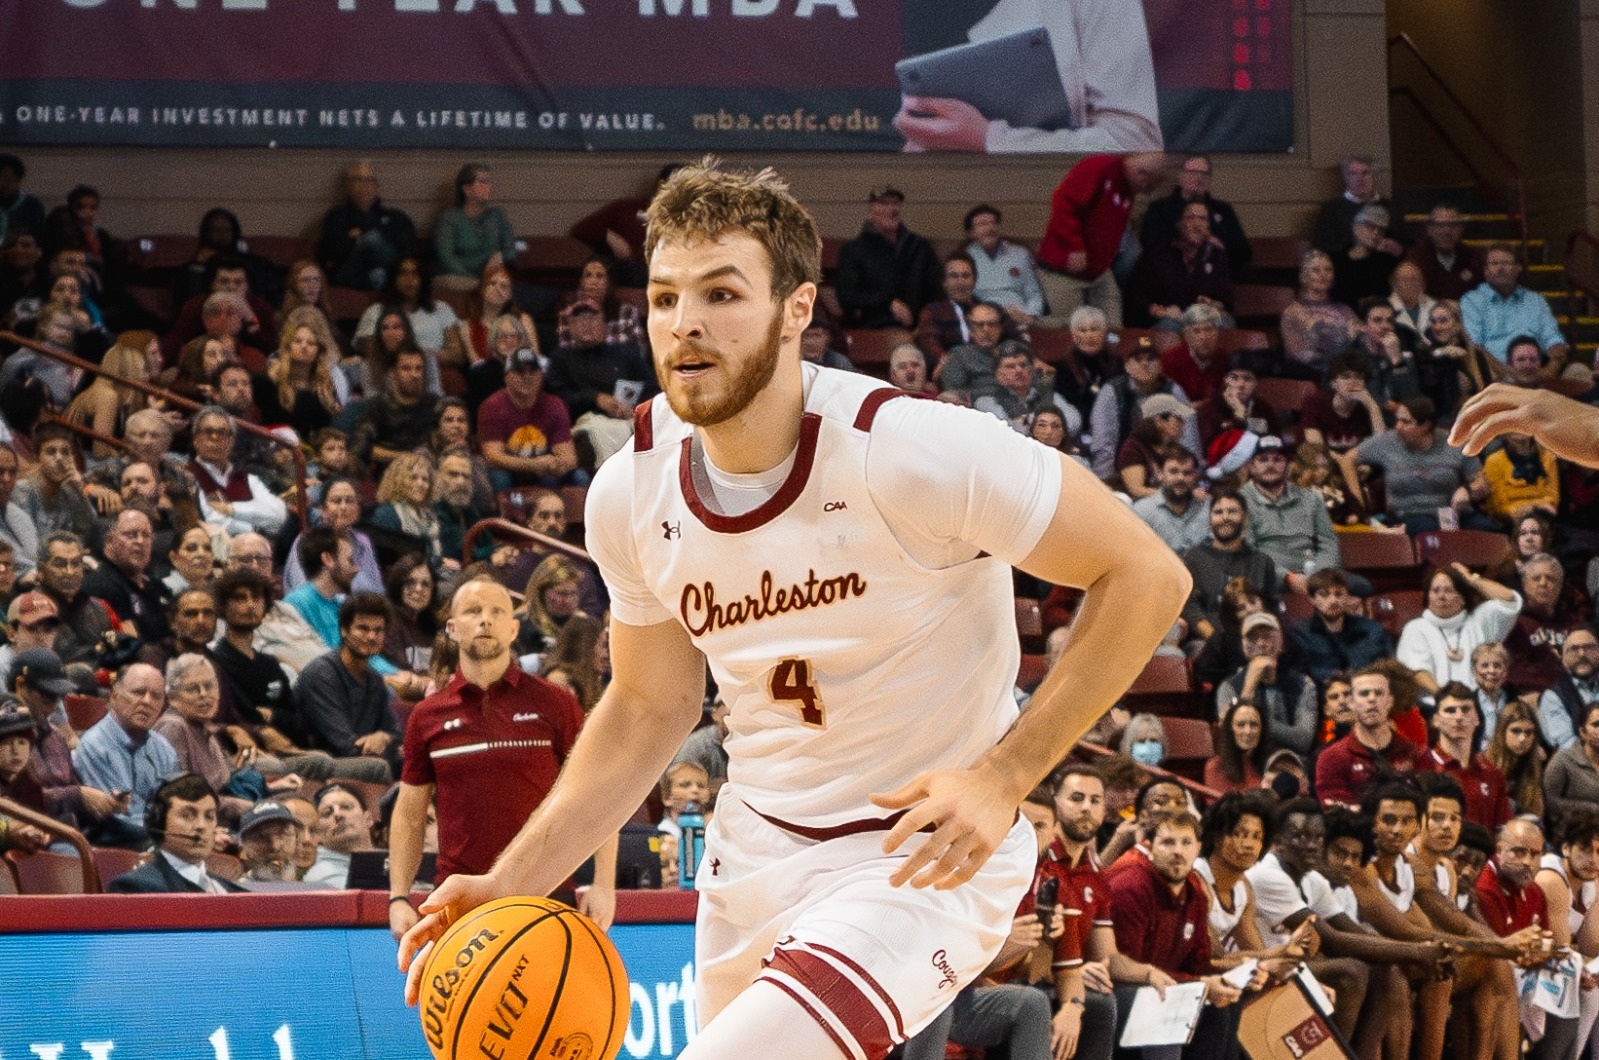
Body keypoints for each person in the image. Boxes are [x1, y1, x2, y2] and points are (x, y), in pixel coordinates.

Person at [396, 161, 1191, 1057]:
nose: (685, 323)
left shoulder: (911, 448)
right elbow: (650, 705)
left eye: (721, 293)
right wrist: (512, 881)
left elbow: (1145, 574)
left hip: (916, 859)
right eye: (663, 298)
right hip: (754, 852)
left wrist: (1005, 777)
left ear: (796, 308)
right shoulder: (629, 490)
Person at [389, 578, 615, 934]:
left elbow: (596, 794)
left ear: (513, 629)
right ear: (452, 628)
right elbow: (409, 816)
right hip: (458, 902)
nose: (486, 620)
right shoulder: (426, 716)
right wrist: (398, 897)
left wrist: (604, 884)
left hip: (547, 894)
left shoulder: (556, 703)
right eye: (473, 611)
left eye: (497, 612)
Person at [1107, 810, 1253, 1058]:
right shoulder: (1131, 887)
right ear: (1149, 848)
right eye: (1168, 842)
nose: (1178, 851)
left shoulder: (1195, 892)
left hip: (1169, 986)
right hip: (1123, 989)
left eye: (1186, 843)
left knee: (1225, 1002)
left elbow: (1199, 964)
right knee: (1167, 1005)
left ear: (1198, 848)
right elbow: (1127, 969)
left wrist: (1237, 973)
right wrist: (1198, 984)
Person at [1035, 154, 1167, 328]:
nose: (1144, 191)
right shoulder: (1100, 167)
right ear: (1142, 173)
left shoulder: (1127, 188)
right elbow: (1064, 204)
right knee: (1070, 330)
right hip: (1063, 270)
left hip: (1099, 272)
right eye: (1147, 186)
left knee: (1114, 329)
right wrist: (1073, 247)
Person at [1337, 395, 1494, 535]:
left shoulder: (1454, 443)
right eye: (1398, 420)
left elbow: (1481, 483)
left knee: (1488, 529)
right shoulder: (1387, 442)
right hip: (1409, 515)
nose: (1398, 426)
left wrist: (1468, 491)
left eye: (1406, 422)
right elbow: (1347, 459)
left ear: (1425, 426)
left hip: (1452, 513)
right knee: (1430, 531)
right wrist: (1356, 499)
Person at [72, 663, 181, 847]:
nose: (147, 701)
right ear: (114, 695)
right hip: (113, 846)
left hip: (159, 840)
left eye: (156, 696)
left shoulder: (164, 749)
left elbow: (174, 805)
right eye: (139, 692)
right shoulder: (95, 745)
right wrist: (175, 835)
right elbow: (117, 821)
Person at [294, 593, 400, 781]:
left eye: (378, 630)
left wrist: (383, 737)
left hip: (359, 760)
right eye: (363, 629)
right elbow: (345, 746)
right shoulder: (321, 674)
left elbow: (395, 735)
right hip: (318, 765)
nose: (371, 637)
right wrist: (381, 743)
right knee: (379, 767)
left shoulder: (374, 680)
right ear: (344, 630)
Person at [106, 773, 244, 893]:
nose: (201, 826)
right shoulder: (135, 887)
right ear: (158, 822)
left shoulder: (235, 892)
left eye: (209, 816)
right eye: (187, 815)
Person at [1396, 564, 1522, 692]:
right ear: (1428, 598)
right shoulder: (1416, 628)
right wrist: (1445, 697)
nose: (1441, 596)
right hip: (1434, 701)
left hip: (1479, 701)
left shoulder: (1479, 621)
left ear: (1463, 598)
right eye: (1435, 591)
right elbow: (1417, 671)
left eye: (1448, 590)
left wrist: (1471, 579)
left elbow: (1510, 600)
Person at [1239, 435, 1342, 593]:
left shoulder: (1310, 498)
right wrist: (1288, 578)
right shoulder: (1239, 502)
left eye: (1277, 459)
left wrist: (1319, 576)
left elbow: (1328, 542)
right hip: (1270, 579)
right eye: (1263, 459)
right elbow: (1248, 553)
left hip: (1317, 575)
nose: (1270, 465)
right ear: (1252, 466)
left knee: (1361, 586)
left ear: (1288, 466)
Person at [1315, 666, 1421, 808]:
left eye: (1379, 693)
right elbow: (1335, 811)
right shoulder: (1331, 757)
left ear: (1390, 701)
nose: (1372, 699)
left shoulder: (1414, 753)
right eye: (1364, 694)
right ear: (1352, 703)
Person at [1180, 490, 1277, 642]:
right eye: (1218, 512)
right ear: (1210, 519)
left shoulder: (1262, 562)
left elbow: (1271, 608)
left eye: (1232, 512)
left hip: (1253, 639)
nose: (1225, 517)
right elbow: (1190, 608)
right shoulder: (1193, 558)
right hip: (1207, 642)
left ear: (1245, 519)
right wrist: (1216, 640)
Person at [477, 347, 579, 489]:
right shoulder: (492, 406)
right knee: (500, 477)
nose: (527, 377)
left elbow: (569, 456)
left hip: (544, 470)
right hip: (509, 470)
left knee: (578, 476)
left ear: (541, 376)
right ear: (506, 377)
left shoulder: (555, 405)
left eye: (533, 371)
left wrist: (560, 465)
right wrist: (533, 465)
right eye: (519, 371)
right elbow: (493, 456)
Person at [1460, 244, 1571, 372]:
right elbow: (1474, 346)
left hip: (1536, 368)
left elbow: (1552, 337)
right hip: (1493, 372)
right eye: (1494, 263)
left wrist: (1553, 366)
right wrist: (1508, 373)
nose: (1500, 268)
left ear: (1518, 269)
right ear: (1485, 270)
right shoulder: (1472, 301)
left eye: (1506, 263)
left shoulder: (1535, 300)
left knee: (1578, 370)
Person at [1417, 681, 1512, 832]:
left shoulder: (1493, 774)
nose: (1459, 716)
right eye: (1450, 710)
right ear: (1435, 720)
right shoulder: (1421, 766)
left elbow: (1502, 831)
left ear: (1477, 719)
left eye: (1466, 709)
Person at [1126, 208, 1235, 330]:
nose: (1197, 224)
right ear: (1179, 224)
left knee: (1225, 322)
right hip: (1169, 318)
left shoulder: (1216, 255)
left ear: (1208, 227)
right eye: (1190, 218)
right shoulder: (1158, 254)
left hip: (1204, 318)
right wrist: (1155, 309)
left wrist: (1213, 304)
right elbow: (1135, 294)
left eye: (1202, 219)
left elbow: (1226, 301)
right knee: (1168, 326)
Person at [187, 406, 289, 537]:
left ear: (231, 441)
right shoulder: (189, 474)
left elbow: (279, 515)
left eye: (222, 432)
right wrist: (256, 525)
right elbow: (216, 523)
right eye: (208, 431)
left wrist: (231, 509)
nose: (215, 437)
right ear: (196, 440)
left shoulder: (248, 479)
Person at [1285, 567, 1392, 688]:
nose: (1333, 601)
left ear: (1347, 598)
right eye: (1324, 594)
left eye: (1339, 594)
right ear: (1312, 599)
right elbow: (1296, 678)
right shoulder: (1299, 634)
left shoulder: (1372, 631)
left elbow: (1387, 671)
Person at [318, 159, 416, 291]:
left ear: (377, 187)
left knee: (378, 274)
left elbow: (406, 249)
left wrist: (359, 238)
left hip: (387, 275)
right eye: (358, 180)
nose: (365, 185)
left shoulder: (397, 217)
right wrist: (369, 242)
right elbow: (336, 251)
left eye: (370, 180)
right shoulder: (336, 217)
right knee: (372, 239)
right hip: (349, 274)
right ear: (348, 186)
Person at [84, 508, 168, 644]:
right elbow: (131, 646)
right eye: (131, 535)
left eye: (146, 535)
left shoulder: (155, 586)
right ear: (109, 542)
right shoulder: (101, 585)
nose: (140, 541)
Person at [432, 163, 516, 290]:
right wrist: (475, 280)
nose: (488, 186)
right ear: (467, 189)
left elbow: (511, 249)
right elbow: (446, 257)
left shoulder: (497, 215)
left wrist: (500, 256)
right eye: (482, 182)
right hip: (461, 277)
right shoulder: (450, 218)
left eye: (489, 182)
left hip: (493, 277)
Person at [1279, 250, 1359, 379]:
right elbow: (1299, 355)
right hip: (1314, 375)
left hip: (1349, 371)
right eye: (1316, 270)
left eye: (1328, 270)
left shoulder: (1344, 309)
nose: (1323, 275)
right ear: (1304, 275)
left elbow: (1362, 340)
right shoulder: (1293, 312)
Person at [962, 205, 1045, 324]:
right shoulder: (964, 258)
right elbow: (961, 296)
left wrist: (1030, 315)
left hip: (1017, 316)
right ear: (971, 233)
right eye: (983, 224)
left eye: (993, 223)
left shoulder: (1020, 254)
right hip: (981, 319)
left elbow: (1034, 293)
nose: (990, 228)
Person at [1310, 156, 1398, 256]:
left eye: (1365, 173)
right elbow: (1320, 246)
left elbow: (1399, 242)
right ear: (1345, 177)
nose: (1360, 179)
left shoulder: (1389, 207)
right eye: (1353, 174)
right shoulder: (1332, 208)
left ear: (1373, 176)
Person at [1131, 445, 1210, 552]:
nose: (1181, 478)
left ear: (1195, 476)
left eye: (1187, 473)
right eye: (1173, 472)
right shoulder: (1141, 511)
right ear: (1160, 474)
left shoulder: (1208, 507)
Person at [303, 781, 378, 887]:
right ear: (318, 832)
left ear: (368, 819)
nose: (337, 814)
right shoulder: (320, 878)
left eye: (346, 807)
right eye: (327, 813)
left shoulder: (391, 863)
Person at [1405, 204, 1485, 302]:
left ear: (1461, 229)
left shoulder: (1474, 258)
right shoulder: (1416, 259)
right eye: (1440, 225)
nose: (1447, 231)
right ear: (1430, 229)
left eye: (1453, 225)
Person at [1486, 698, 1546, 818]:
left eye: (1528, 732)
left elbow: (1536, 813)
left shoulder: (1536, 766)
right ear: (1502, 732)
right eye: (1516, 731)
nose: (1523, 739)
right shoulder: (1485, 766)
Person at [1205, 700, 1273, 793]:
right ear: (1230, 729)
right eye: (1241, 725)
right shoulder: (1216, 766)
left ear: (1262, 729)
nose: (1248, 731)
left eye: (1254, 724)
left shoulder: (1272, 761)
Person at [237, 798, 301, 884]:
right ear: (244, 848)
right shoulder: (236, 890)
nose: (275, 846)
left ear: (296, 839)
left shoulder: (313, 886)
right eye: (260, 837)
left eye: (283, 833)